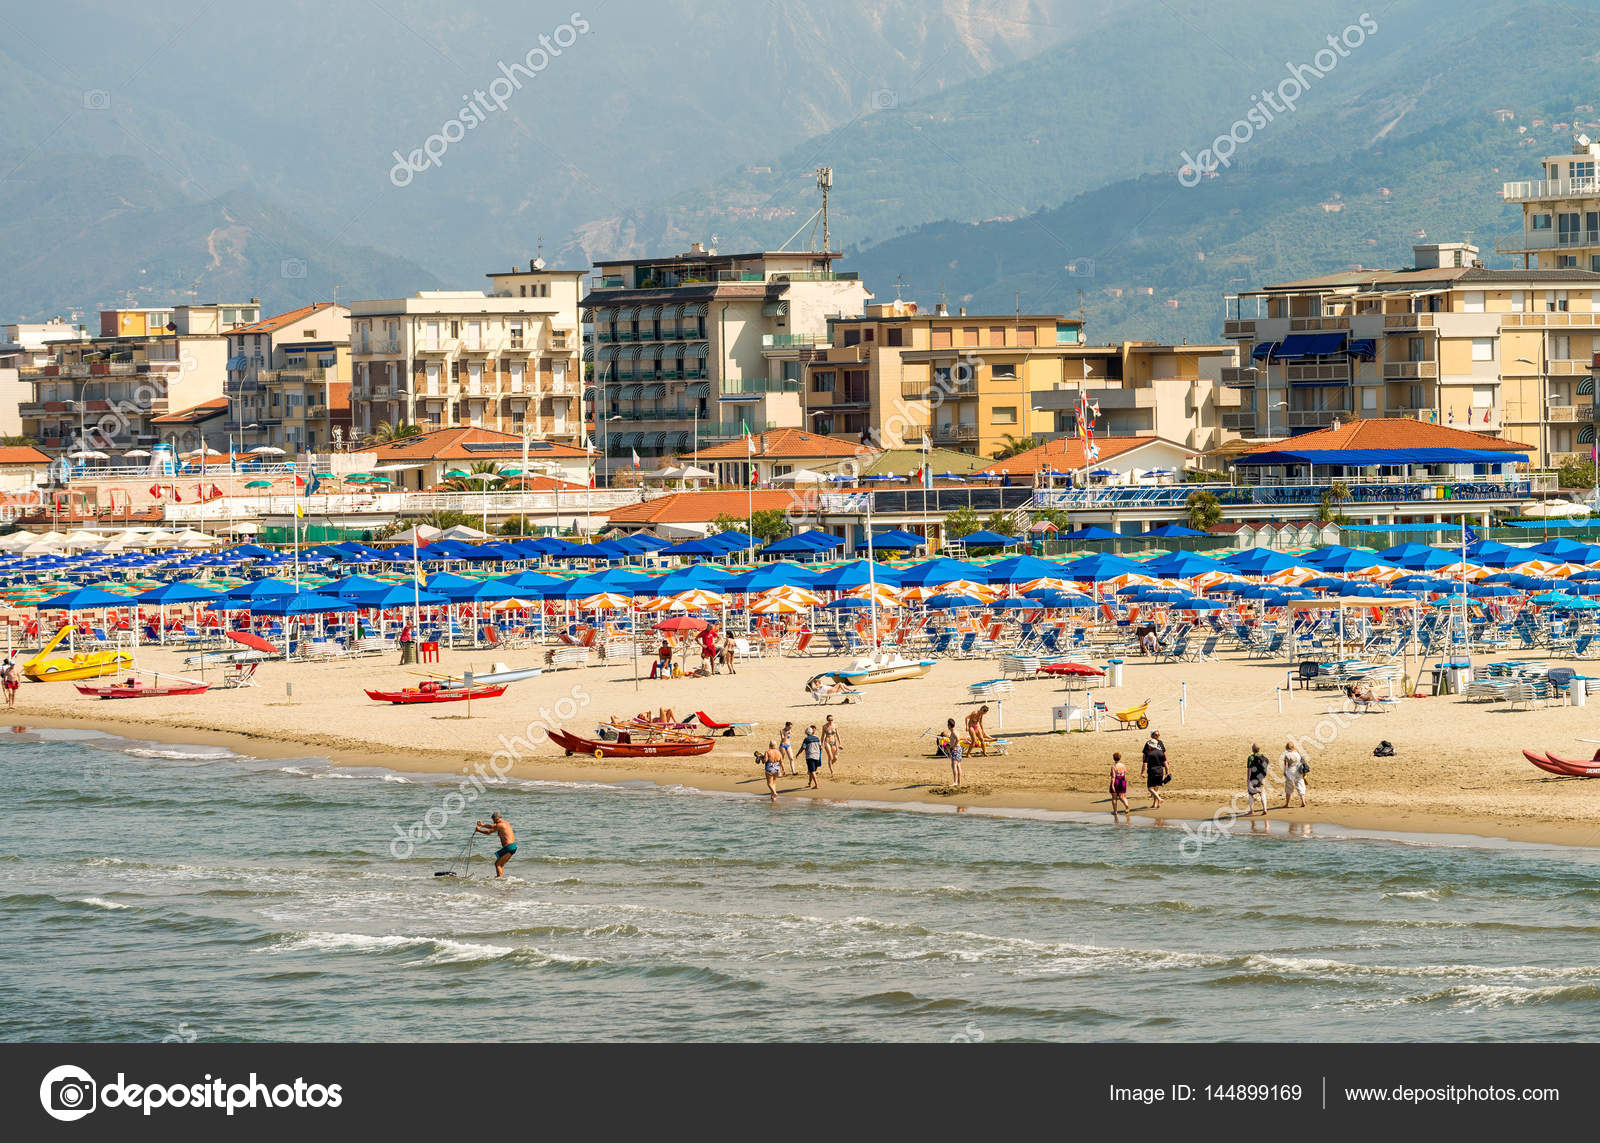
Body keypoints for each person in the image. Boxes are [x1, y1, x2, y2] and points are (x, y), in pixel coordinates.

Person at [473, 812, 517, 878]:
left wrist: (479, 830)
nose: (493, 822)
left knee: (497, 864)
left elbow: (488, 832)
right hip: (513, 846)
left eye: (493, 820)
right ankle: (501, 878)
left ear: (496, 819)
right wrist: (482, 825)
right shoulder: (505, 823)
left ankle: (499, 879)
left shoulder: (500, 825)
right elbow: (492, 826)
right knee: (501, 864)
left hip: (508, 847)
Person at [1141, 730, 1168, 808]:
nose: (1158, 736)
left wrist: (1166, 761)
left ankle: (1158, 800)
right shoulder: (1148, 744)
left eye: (1158, 734)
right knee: (1156, 787)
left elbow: (1164, 752)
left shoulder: (1160, 743)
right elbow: (1144, 754)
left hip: (1154, 769)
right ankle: (1156, 803)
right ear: (1152, 735)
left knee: (1152, 787)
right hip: (1158, 768)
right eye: (1156, 735)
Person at [1245, 742, 1271, 815]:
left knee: (1251, 794)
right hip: (1261, 777)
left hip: (1253, 778)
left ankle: (1251, 810)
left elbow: (1249, 769)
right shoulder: (1264, 758)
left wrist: (1248, 779)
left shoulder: (1251, 758)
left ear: (1252, 749)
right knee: (1262, 793)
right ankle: (1265, 809)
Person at [1282, 740, 1309, 808]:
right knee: (1300, 785)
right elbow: (1302, 762)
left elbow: (1286, 765)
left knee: (1289, 787)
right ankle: (1303, 801)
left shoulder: (1286, 755)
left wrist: (1284, 772)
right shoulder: (1297, 753)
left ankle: (1287, 804)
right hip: (1298, 771)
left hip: (1290, 772)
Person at [801, 724, 823, 789]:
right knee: (812, 770)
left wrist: (798, 753)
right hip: (817, 756)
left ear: (806, 733)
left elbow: (803, 747)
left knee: (812, 771)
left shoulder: (806, 739)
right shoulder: (817, 738)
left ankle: (816, 785)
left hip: (810, 756)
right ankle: (810, 783)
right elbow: (821, 747)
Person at [1108, 752, 1129, 818]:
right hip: (1122, 780)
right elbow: (1124, 773)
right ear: (1120, 758)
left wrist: (1112, 785)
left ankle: (1115, 811)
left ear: (1113, 758)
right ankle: (1127, 806)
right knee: (1122, 796)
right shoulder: (1123, 765)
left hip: (1116, 781)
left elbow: (1113, 776)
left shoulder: (1113, 766)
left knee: (1114, 797)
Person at [948, 720, 965, 786]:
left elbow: (958, 739)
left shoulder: (954, 732)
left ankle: (955, 782)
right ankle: (959, 782)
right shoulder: (955, 731)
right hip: (957, 749)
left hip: (956, 749)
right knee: (958, 765)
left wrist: (954, 746)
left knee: (954, 765)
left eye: (948, 725)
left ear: (949, 725)